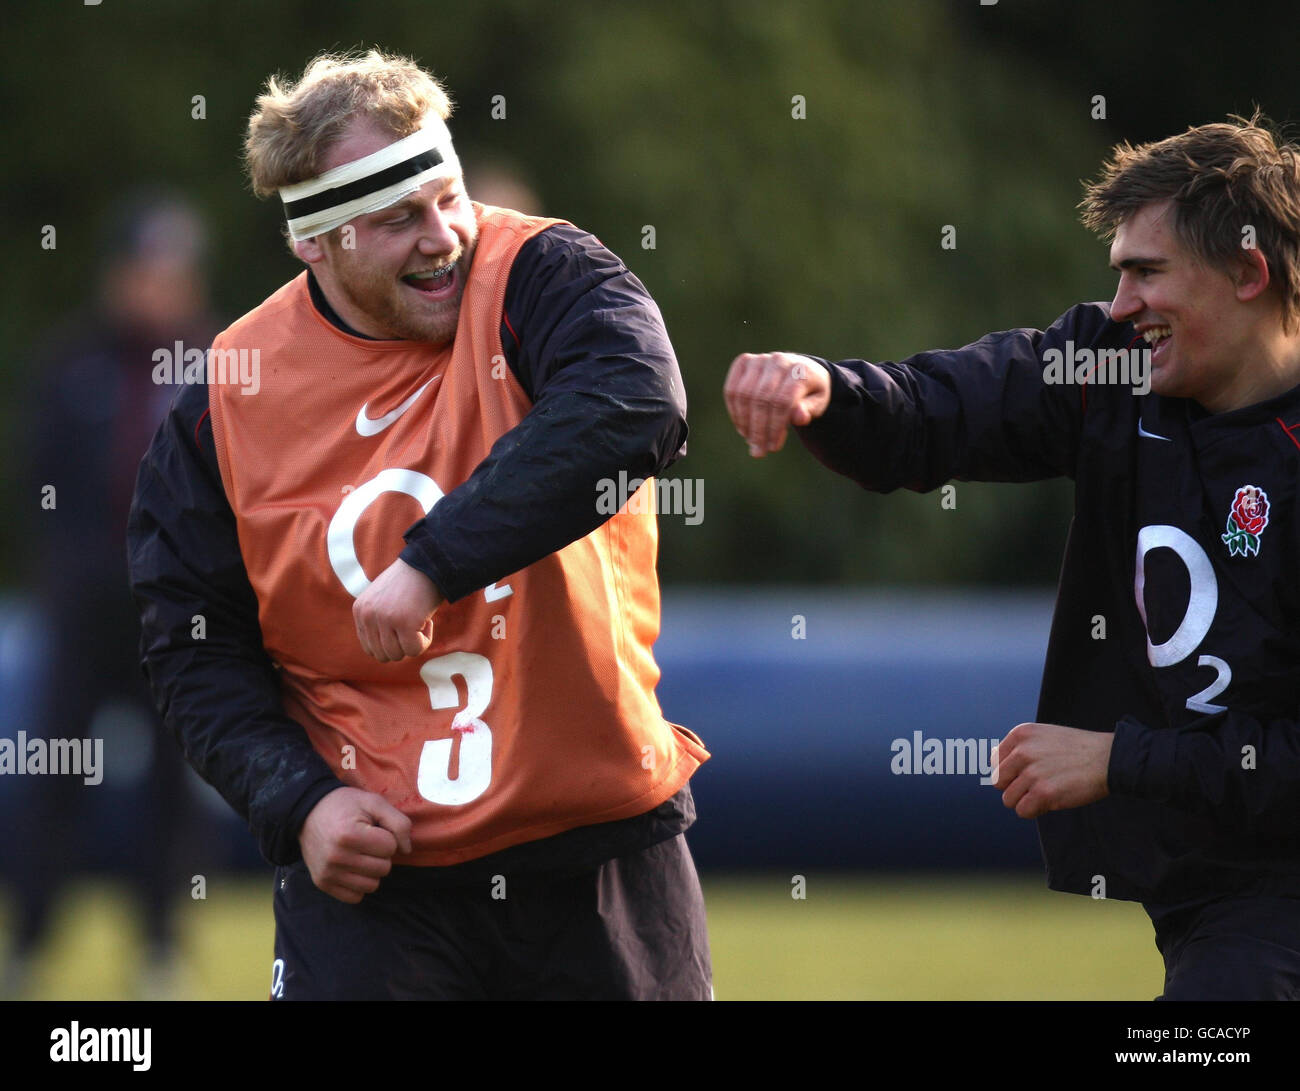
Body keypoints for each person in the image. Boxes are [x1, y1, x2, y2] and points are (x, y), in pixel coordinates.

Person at [127, 50, 711, 1001]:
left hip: (596, 849)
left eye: (449, 197)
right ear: (316, 241)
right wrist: (299, 802)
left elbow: (637, 402)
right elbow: (189, 639)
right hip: (378, 880)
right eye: (399, 219)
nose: (444, 237)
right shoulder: (227, 398)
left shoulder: (538, 270)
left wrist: (434, 561)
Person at [724, 114, 1300, 1000]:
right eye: (1118, 275)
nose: (1121, 305)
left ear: (1249, 273)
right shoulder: (1114, 372)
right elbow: (951, 407)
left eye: (1147, 273)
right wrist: (831, 391)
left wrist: (1119, 759)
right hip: (1214, 888)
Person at [9, 192, 213, 999]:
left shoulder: (216, 361)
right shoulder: (72, 363)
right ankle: (29, 942)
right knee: (55, 770)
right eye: (143, 270)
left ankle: (162, 948)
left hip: (175, 611)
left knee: (175, 778)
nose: (156, 288)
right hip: (86, 611)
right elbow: (40, 485)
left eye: (172, 272)